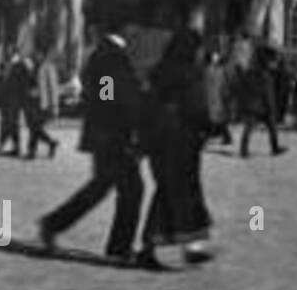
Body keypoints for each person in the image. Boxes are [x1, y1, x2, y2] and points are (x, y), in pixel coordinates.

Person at [39, 26, 144, 264]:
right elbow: (107, 100)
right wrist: (122, 132)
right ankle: (119, 246)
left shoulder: (104, 58)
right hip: (112, 138)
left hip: (106, 137)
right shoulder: (109, 61)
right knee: (131, 190)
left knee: (100, 188)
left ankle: (54, 224)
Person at [137, 28, 214, 269]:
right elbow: (197, 107)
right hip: (182, 138)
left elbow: (146, 104)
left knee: (166, 190)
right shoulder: (191, 73)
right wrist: (210, 127)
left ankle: (160, 247)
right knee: (186, 191)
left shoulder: (158, 71)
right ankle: (188, 247)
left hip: (159, 140)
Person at [236, 46, 285, 157]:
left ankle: (243, 150)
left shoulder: (252, 71)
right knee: (271, 126)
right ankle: (275, 148)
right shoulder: (266, 76)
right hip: (263, 106)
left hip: (253, 104)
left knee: (249, 127)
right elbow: (269, 95)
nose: (275, 64)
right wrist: (272, 108)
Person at [0, 52, 32, 158]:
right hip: (8, 102)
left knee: (8, 124)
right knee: (13, 125)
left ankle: (0, 147)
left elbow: (23, 85)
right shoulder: (10, 67)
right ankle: (16, 148)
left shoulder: (20, 68)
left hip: (13, 102)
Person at [25, 51, 61, 159]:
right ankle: (51, 143)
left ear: (43, 55)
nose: (35, 56)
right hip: (33, 102)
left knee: (35, 128)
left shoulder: (48, 68)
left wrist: (54, 105)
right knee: (34, 128)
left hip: (43, 104)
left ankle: (32, 151)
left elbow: (53, 88)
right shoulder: (33, 67)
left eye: (37, 54)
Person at [202, 51, 233, 146]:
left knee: (213, 119)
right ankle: (226, 137)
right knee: (218, 119)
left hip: (213, 97)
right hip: (215, 97)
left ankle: (208, 139)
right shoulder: (218, 70)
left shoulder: (210, 71)